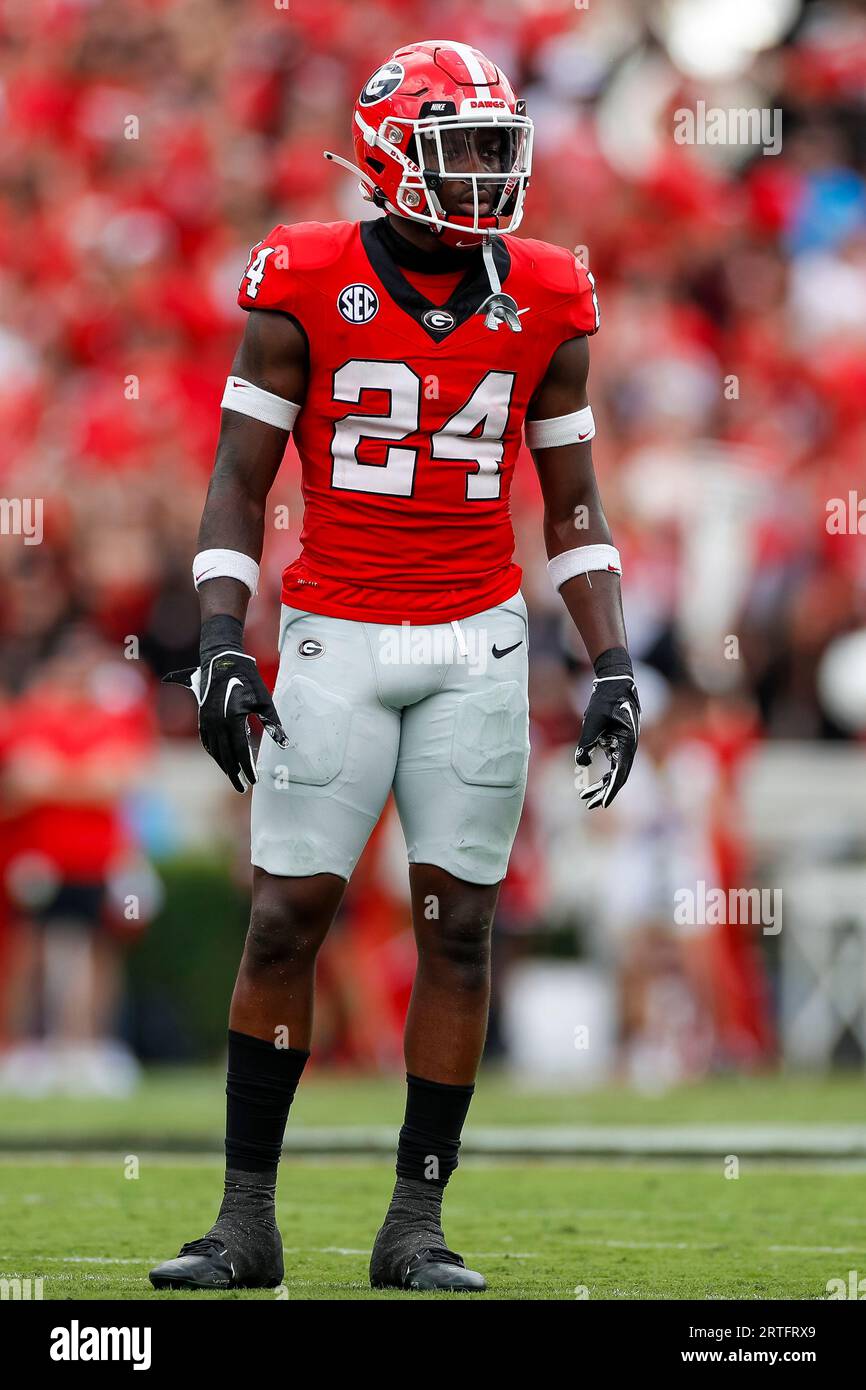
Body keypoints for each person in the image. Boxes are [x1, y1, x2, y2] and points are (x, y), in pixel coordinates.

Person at [150, 39, 639, 1294]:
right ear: (385, 151)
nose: (484, 172)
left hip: (476, 637)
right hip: (333, 635)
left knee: (460, 931)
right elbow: (236, 485)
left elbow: (573, 507)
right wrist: (217, 643)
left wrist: (614, 663)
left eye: (495, 147)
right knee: (284, 918)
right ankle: (242, 1222)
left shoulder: (547, 292)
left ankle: (415, 1225)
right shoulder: (300, 275)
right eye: (459, 146)